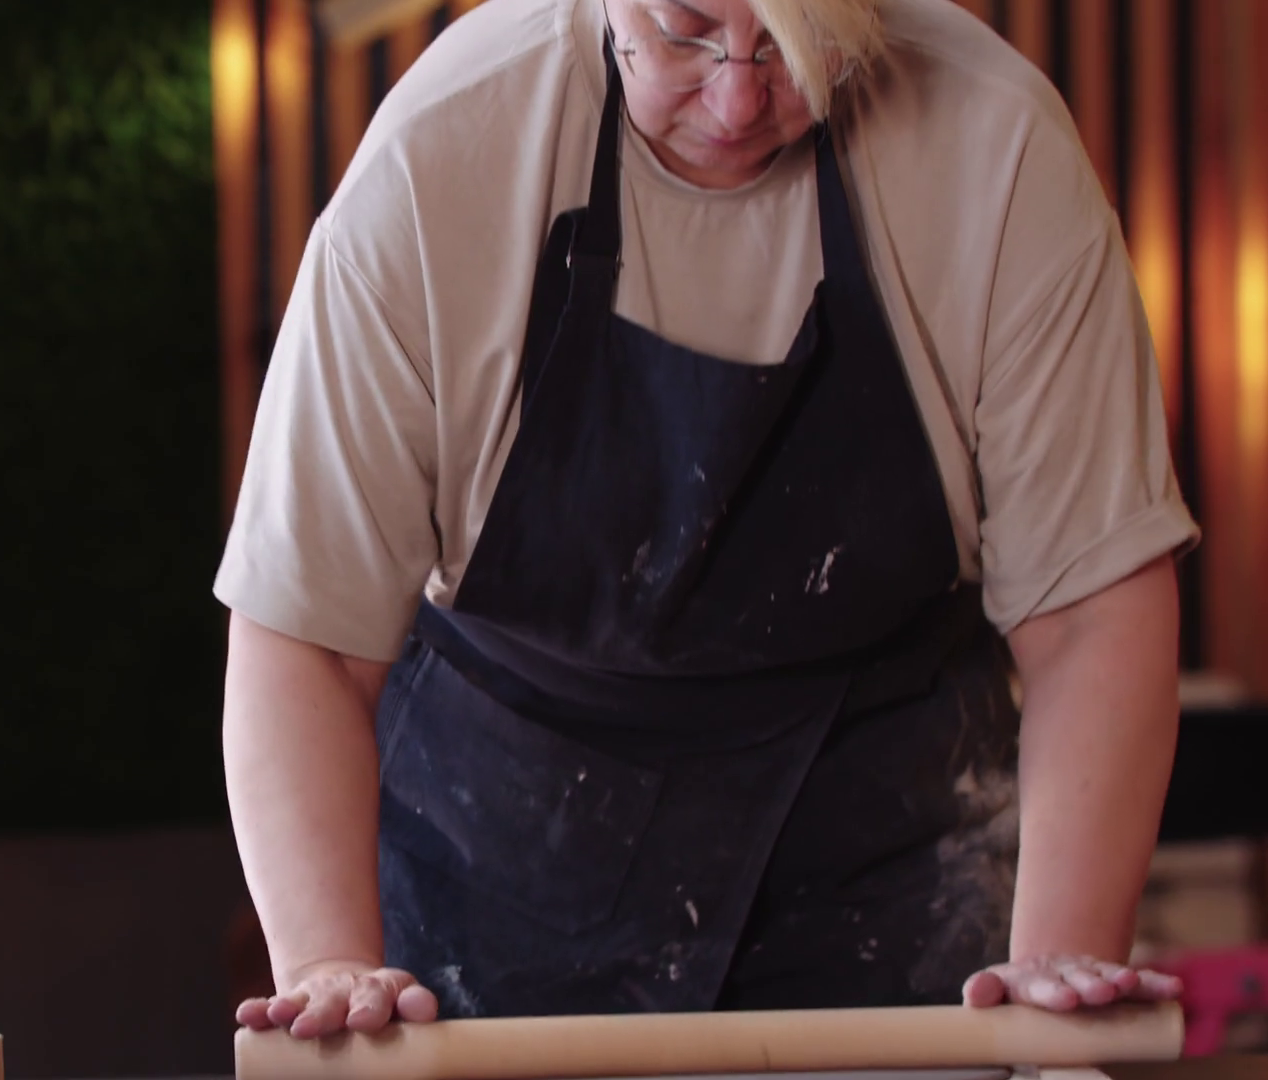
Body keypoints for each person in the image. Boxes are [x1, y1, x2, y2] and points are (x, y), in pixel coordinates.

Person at [215, 0, 1198, 1039]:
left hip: (894, 867)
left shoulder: (996, 147)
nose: (736, 98)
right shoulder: (439, 159)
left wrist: (1056, 961)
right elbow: (304, 636)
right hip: (496, 875)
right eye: (685, 31)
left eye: (789, 46)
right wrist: (327, 958)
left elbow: (1092, 609)